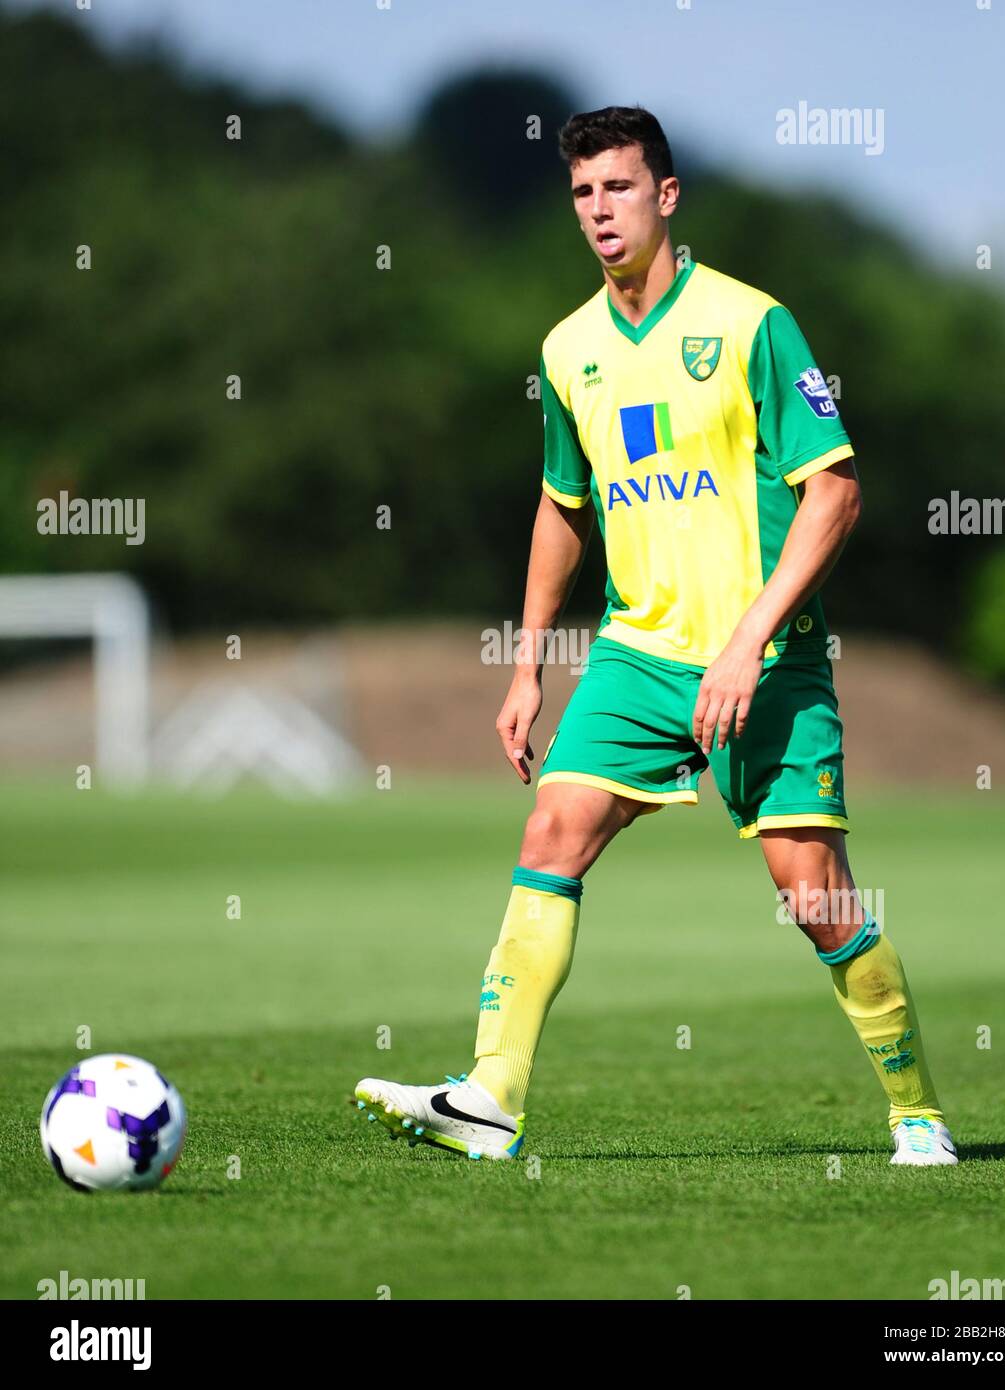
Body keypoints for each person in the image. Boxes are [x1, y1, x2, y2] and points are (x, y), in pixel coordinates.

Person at [356, 106, 956, 1167]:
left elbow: (835, 493)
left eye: (619, 188)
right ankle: (491, 1097)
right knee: (552, 833)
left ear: (665, 195)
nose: (599, 210)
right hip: (637, 653)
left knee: (813, 896)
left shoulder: (751, 323)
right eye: (583, 193)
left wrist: (746, 640)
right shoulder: (568, 348)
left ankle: (917, 1115)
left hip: (766, 660)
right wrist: (527, 663)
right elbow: (560, 505)